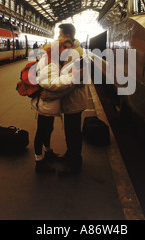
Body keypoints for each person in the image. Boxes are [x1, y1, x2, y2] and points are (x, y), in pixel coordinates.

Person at [32, 36, 75, 173]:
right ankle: (39, 162)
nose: (67, 51)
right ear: (57, 47)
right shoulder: (49, 61)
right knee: (41, 131)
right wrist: (71, 77)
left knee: (48, 128)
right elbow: (49, 83)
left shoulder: (52, 59)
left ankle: (48, 151)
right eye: (65, 48)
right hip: (45, 104)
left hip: (49, 104)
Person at [56, 23, 88, 176]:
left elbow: (73, 79)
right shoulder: (72, 50)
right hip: (72, 99)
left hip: (74, 99)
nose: (58, 37)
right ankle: (70, 155)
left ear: (67, 36)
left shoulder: (74, 53)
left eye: (60, 34)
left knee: (73, 133)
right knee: (70, 131)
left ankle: (74, 166)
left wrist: (53, 94)